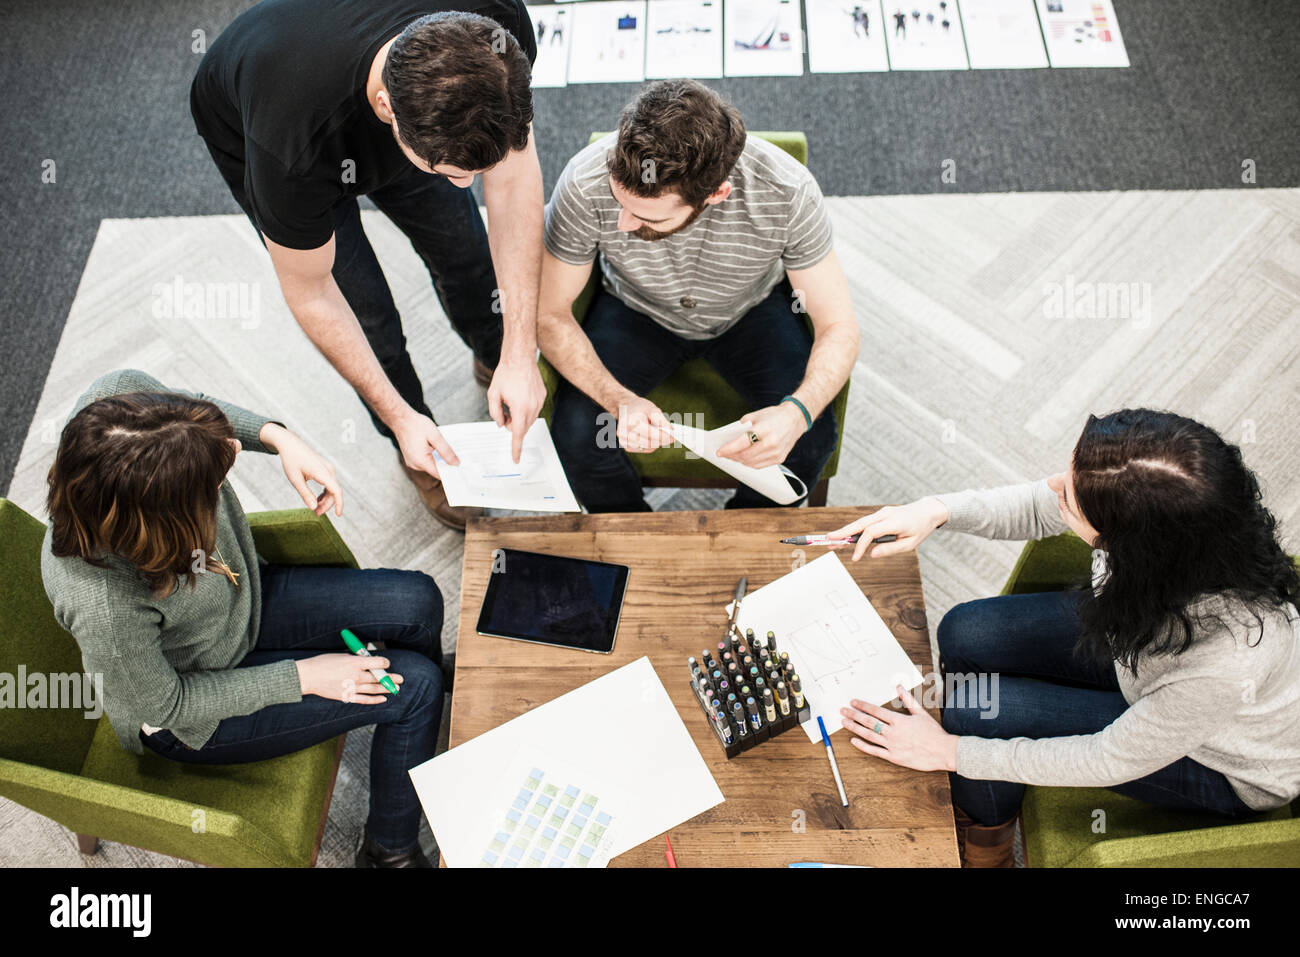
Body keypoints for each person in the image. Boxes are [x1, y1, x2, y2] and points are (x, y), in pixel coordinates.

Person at [827, 409, 1300, 867]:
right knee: (964, 630)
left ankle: (987, 841)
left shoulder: (1224, 663)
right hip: (1142, 653)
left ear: (1131, 546)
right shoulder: (1181, 533)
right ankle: (978, 770)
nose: (1053, 487)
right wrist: (937, 511)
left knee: (976, 712)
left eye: (1070, 500)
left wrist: (950, 752)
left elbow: (1109, 757)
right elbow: (1039, 504)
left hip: (1218, 761)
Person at [41, 369, 447, 867]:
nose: (234, 451)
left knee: (419, 601)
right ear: (166, 525)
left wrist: (277, 437)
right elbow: (169, 707)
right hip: (200, 710)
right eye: (215, 478)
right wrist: (306, 677)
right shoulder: (103, 603)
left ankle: (414, 728)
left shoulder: (115, 409)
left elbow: (196, 414)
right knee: (417, 685)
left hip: (243, 598)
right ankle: (389, 851)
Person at [190, 1, 548, 530]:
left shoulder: (498, 29)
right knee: (370, 314)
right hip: (273, 106)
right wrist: (401, 419)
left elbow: (513, 182)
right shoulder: (291, 150)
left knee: (466, 249)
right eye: (450, 171)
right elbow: (312, 294)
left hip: (379, 97)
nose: (466, 184)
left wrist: (520, 352)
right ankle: (416, 442)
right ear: (388, 110)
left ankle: (494, 357)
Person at [538, 80, 859, 512]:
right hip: (634, 311)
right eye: (620, 202)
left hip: (751, 313)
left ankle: (742, 532)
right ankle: (637, 534)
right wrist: (621, 402)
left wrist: (796, 414)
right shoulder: (584, 181)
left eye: (645, 214)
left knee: (812, 437)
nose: (623, 224)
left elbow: (839, 326)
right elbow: (551, 315)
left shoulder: (788, 192)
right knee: (577, 437)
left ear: (716, 194)